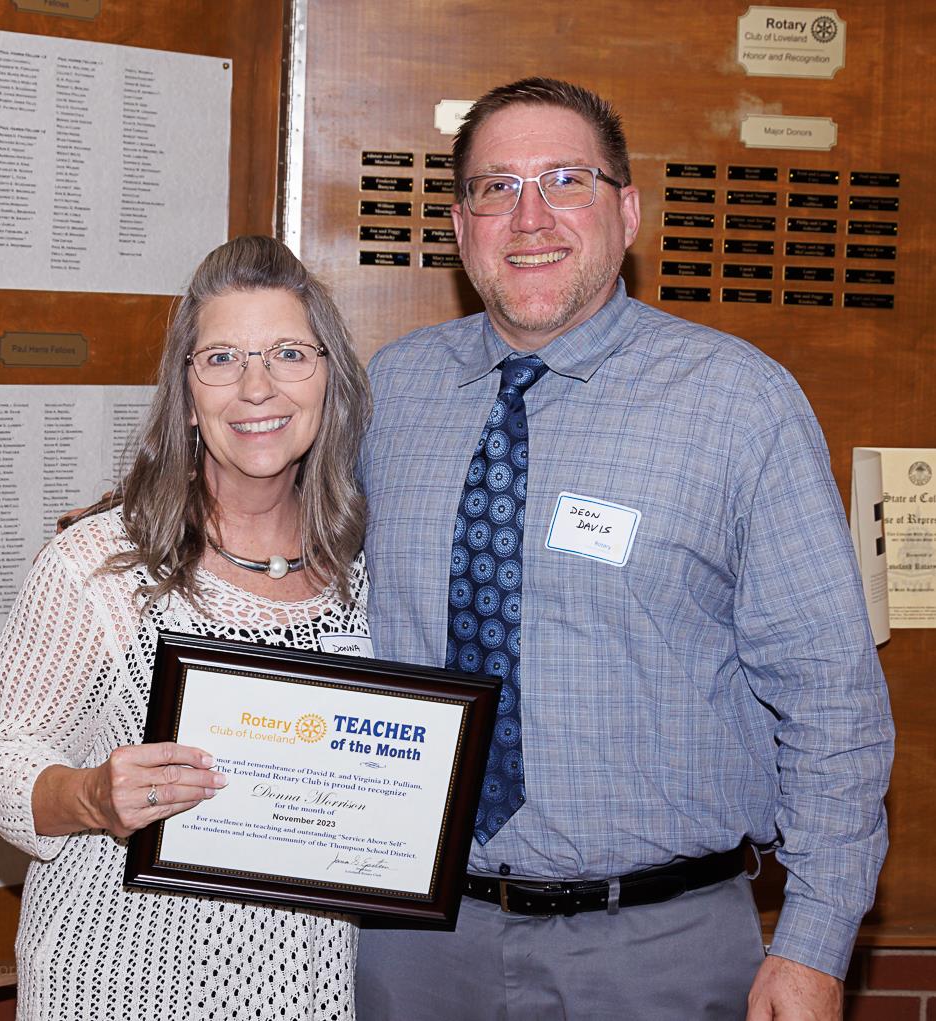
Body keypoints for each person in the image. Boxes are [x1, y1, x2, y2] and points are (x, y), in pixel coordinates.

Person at [356, 78, 894, 1020]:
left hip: (660, 950)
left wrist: (815, 939)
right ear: (457, 223)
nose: (529, 217)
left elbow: (832, 694)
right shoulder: (393, 393)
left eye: (567, 180)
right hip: (418, 942)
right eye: (494, 188)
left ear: (628, 210)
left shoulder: (738, 402)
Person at [0, 236, 372, 1021]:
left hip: (302, 989)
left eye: (289, 352)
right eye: (221, 359)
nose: (257, 387)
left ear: (330, 379)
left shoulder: (364, 567)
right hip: (120, 984)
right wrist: (91, 796)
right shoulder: (103, 562)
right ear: (186, 393)